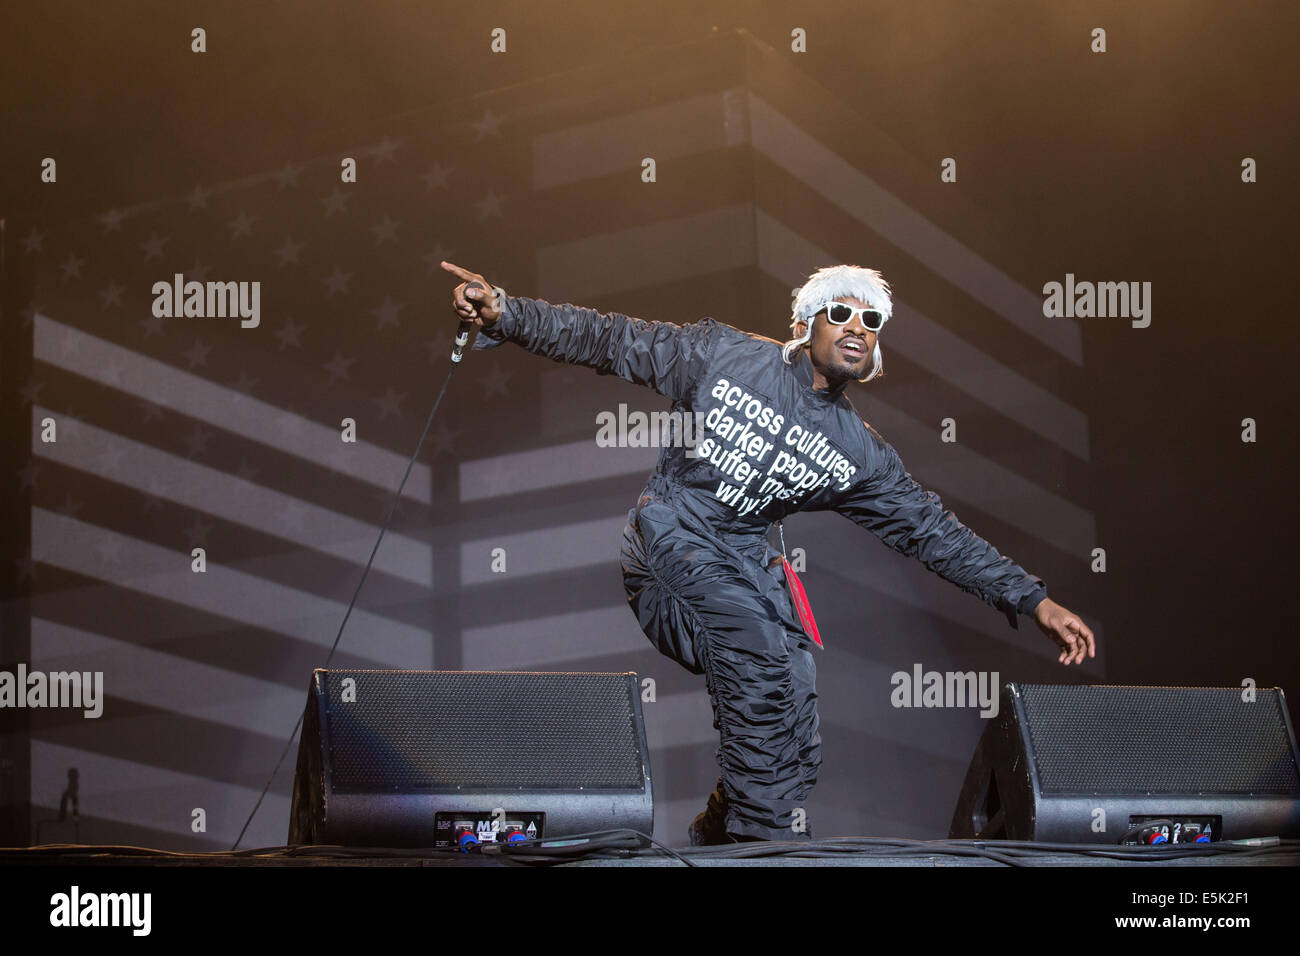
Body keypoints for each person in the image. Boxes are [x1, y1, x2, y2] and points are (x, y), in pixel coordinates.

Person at [440, 260, 1096, 846]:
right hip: (667, 544)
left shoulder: (858, 452)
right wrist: (507, 312)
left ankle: (724, 827)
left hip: (745, 563)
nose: (857, 328)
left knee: (798, 716)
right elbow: (614, 340)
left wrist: (1033, 600)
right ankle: (760, 848)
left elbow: (933, 531)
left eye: (872, 322)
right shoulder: (724, 355)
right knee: (754, 649)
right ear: (808, 323)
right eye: (841, 313)